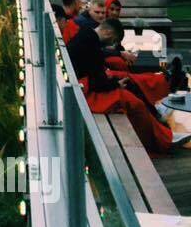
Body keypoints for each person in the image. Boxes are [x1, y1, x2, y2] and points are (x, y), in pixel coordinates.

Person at [68, 17, 173, 155]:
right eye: (113, 40)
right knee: (136, 104)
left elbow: (94, 73)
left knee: (132, 88)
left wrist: (112, 81)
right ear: (108, 33)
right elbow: (97, 79)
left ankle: (158, 127)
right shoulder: (91, 42)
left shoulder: (87, 35)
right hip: (85, 92)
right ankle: (157, 141)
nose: (111, 44)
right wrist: (115, 84)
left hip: (83, 85)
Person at [101, 0, 171, 103]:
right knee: (147, 69)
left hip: (121, 61)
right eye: (112, 9)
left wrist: (124, 52)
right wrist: (121, 54)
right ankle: (165, 82)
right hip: (114, 65)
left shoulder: (114, 25)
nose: (115, 13)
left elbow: (118, 46)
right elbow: (102, 49)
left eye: (118, 10)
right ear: (106, 9)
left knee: (151, 61)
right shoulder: (103, 28)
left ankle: (165, 78)